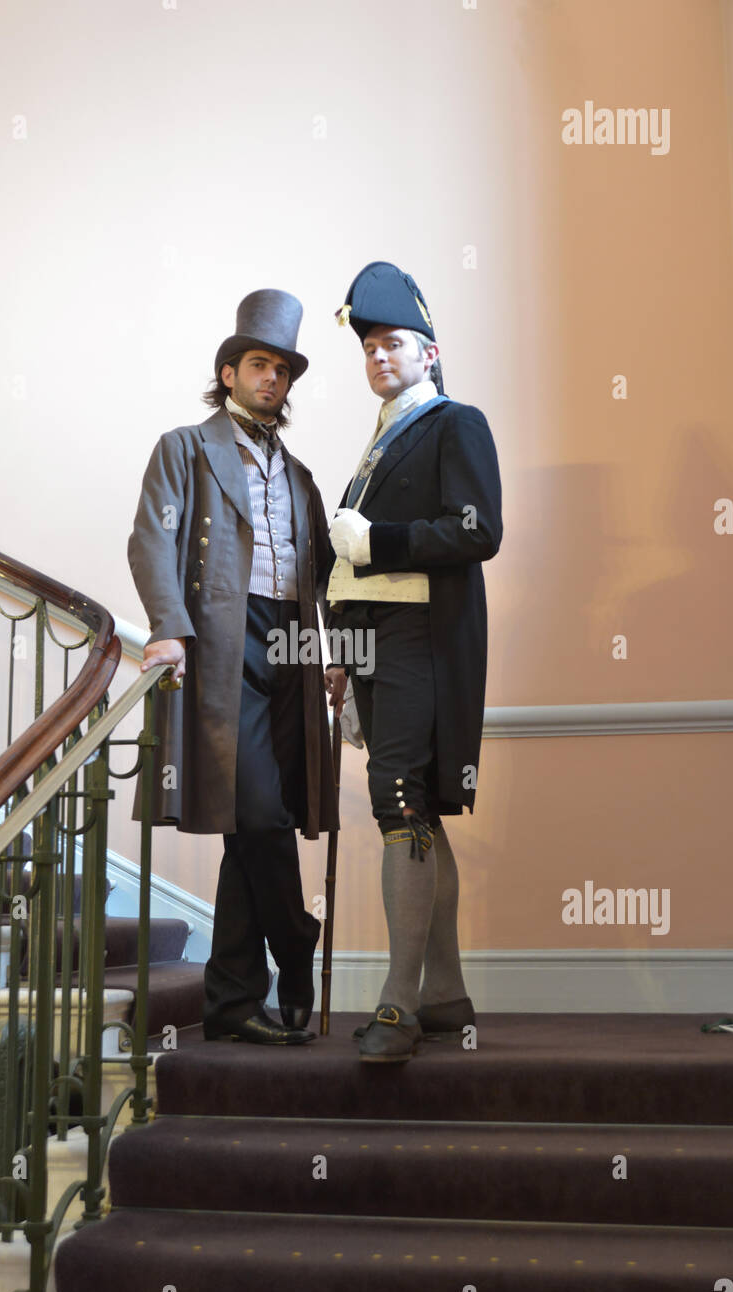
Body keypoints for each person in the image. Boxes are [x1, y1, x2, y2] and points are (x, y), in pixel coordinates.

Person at [127, 289, 338, 1045]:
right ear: (228, 372)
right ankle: (295, 936)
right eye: (258, 365)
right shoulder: (186, 446)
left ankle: (231, 1001)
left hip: (291, 640)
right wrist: (167, 629)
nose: (271, 379)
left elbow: (320, 577)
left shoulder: (301, 473)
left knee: (259, 820)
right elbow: (151, 537)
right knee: (254, 808)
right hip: (220, 637)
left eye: (282, 370)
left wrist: (332, 657)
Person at [323, 261, 502, 1062]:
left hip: (421, 640)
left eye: (393, 344)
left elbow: (476, 531)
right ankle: (443, 993)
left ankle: (395, 1003)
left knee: (399, 804)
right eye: (368, 349)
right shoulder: (381, 440)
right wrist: (339, 650)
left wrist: (381, 541)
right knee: (418, 806)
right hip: (377, 642)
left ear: (429, 352)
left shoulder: (454, 422)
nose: (378, 358)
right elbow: (348, 568)